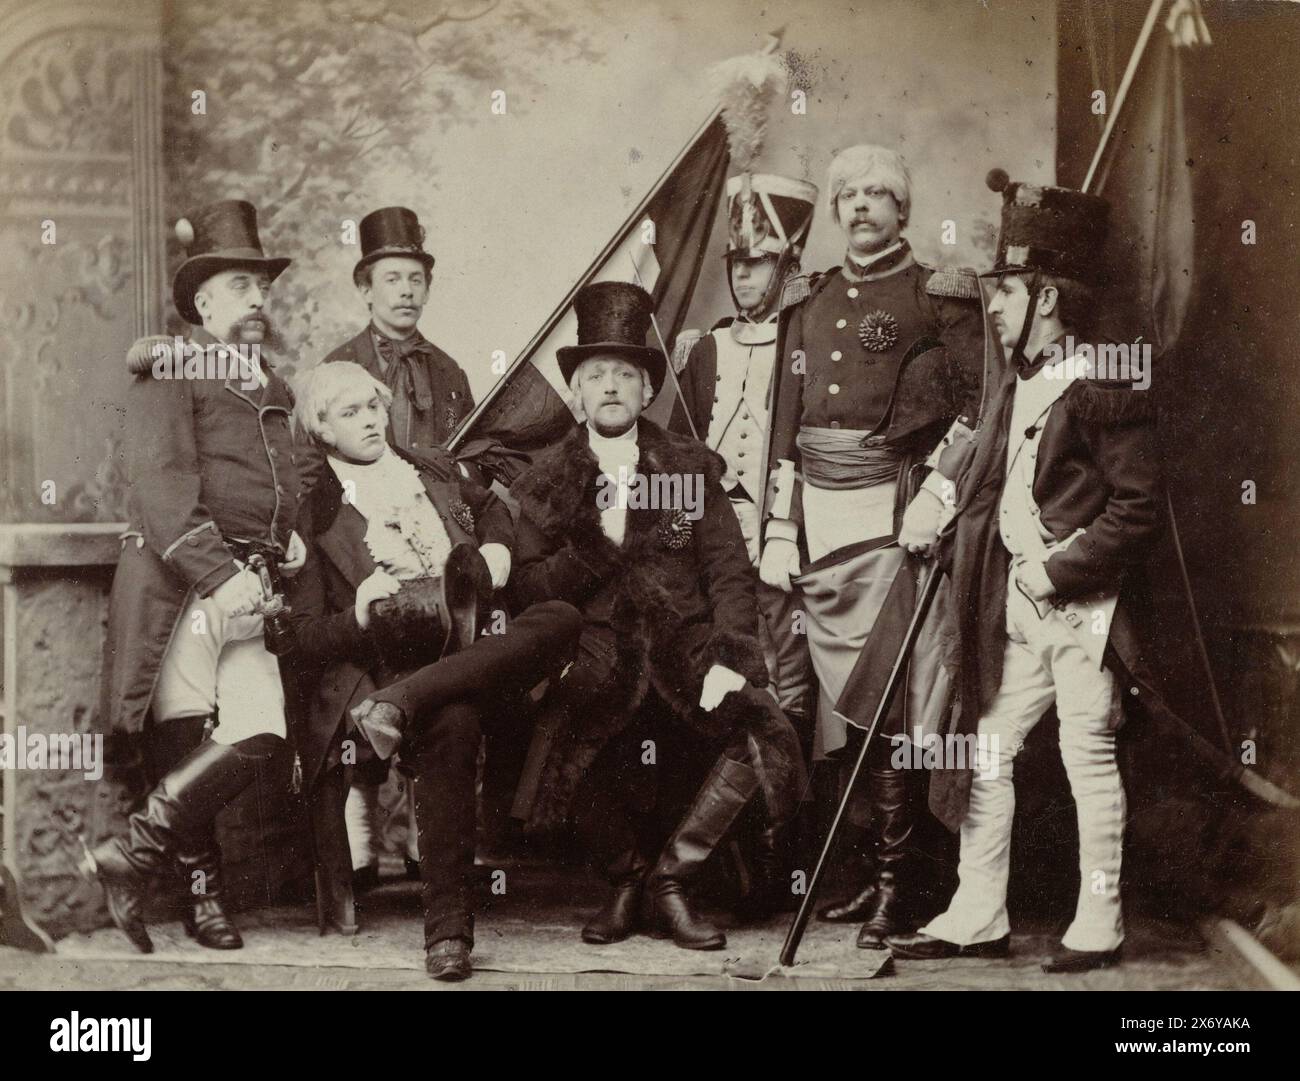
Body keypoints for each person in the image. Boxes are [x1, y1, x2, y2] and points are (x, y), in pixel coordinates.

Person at [885, 174, 1163, 974]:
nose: (994, 307)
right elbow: (979, 467)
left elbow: (1137, 509)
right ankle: (977, 914)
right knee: (986, 752)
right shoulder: (1017, 381)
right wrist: (941, 501)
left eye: (1005, 291)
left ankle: (1100, 922)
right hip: (1016, 607)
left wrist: (1060, 570)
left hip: (1087, 611)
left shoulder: (1105, 379)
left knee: (1087, 756)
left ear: (1046, 297)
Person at [507, 281, 803, 950]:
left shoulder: (688, 469)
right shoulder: (548, 478)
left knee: (758, 719)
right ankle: (625, 878)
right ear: (576, 394)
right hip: (593, 646)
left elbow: (728, 568)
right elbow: (527, 588)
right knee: (559, 723)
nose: (611, 386)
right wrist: (592, 547)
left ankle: (673, 879)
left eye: (626, 374)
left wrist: (729, 654)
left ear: (647, 392)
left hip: (685, 643)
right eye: (596, 375)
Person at [286, 361, 581, 981]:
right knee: (452, 718)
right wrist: (359, 616)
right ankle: (448, 932)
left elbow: (493, 510)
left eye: (373, 407)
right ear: (322, 430)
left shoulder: (431, 467)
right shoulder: (314, 512)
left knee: (559, 616)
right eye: (350, 414)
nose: (370, 421)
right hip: (387, 664)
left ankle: (408, 701)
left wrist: (498, 544)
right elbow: (305, 637)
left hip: (472, 650)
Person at [759, 144, 985, 947]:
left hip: (895, 509)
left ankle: (903, 886)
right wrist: (780, 521)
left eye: (878, 194)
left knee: (888, 696)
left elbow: (979, 404)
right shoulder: (807, 296)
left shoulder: (938, 294)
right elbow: (784, 417)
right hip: (818, 509)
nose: (860, 206)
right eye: (847, 194)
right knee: (833, 697)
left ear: (903, 210)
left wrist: (938, 490)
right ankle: (858, 871)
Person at [85, 199, 304, 953]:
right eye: (240, 287)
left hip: (252, 584)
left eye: (260, 287)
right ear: (202, 299)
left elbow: (279, 478)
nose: (256, 300)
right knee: (184, 740)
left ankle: (131, 854)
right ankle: (204, 899)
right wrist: (217, 575)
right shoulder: (173, 365)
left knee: (260, 730)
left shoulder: (270, 381)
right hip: (185, 589)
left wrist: (291, 537)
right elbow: (161, 485)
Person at [673, 171, 819, 914]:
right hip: (715, 549)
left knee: (787, 694)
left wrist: (784, 531)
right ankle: (716, 866)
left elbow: (806, 444)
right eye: (736, 263)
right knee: (722, 691)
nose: (743, 276)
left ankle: (779, 860)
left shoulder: (807, 342)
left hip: (781, 544)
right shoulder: (704, 349)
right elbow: (677, 457)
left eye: (758, 262)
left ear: (788, 265)